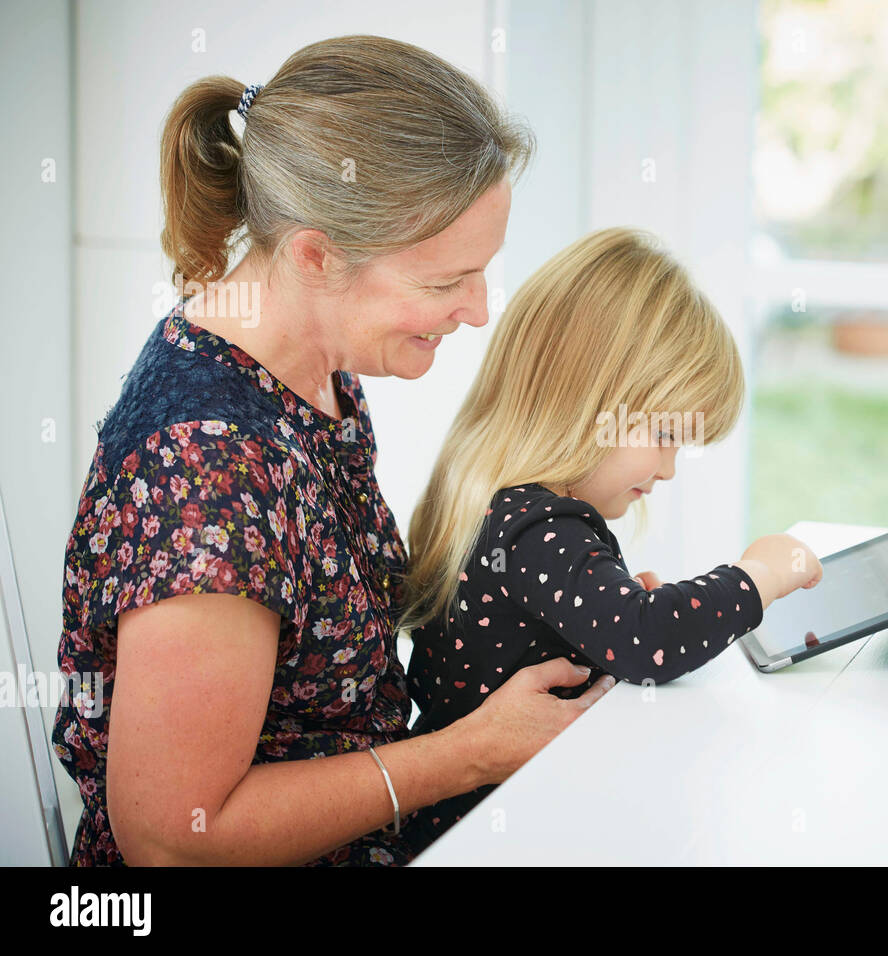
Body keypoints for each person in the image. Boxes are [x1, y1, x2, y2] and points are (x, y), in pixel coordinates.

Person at [50, 34, 613, 867]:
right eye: (442, 281)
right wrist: (470, 753)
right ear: (316, 256)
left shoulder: (310, 375)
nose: (479, 310)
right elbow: (173, 839)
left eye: (482, 272)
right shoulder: (211, 474)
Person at [400, 227, 824, 843]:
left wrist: (600, 616)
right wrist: (760, 577)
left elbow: (580, 632)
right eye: (665, 437)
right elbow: (648, 637)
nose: (669, 468)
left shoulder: (492, 499)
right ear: (588, 403)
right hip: (492, 834)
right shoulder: (538, 526)